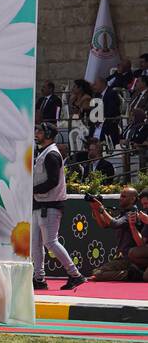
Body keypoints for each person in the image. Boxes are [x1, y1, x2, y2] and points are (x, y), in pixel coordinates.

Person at [32, 122, 85, 291]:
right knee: (36, 243)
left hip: (50, 204)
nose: (36, 134)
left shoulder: (51, 155)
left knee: (50, 242)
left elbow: (52, 181)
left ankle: (75, 274)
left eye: (39, 131)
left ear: (47, 134)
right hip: (41, 203)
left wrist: (31, 190)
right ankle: (39, 278)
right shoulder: (46, 153)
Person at [86, 187, 148, 282]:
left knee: (98, 274)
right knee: (97, 272)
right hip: (124, 256)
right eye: (120, 196)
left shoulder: (132, 213)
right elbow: (104, 225)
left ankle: (131, 274)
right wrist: (95, 209)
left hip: (129, 257)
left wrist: (101, 209)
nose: (120, 198)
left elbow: (115, 224)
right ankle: (131, 273)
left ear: (132, 199)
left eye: (123, 196)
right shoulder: (125, 213)